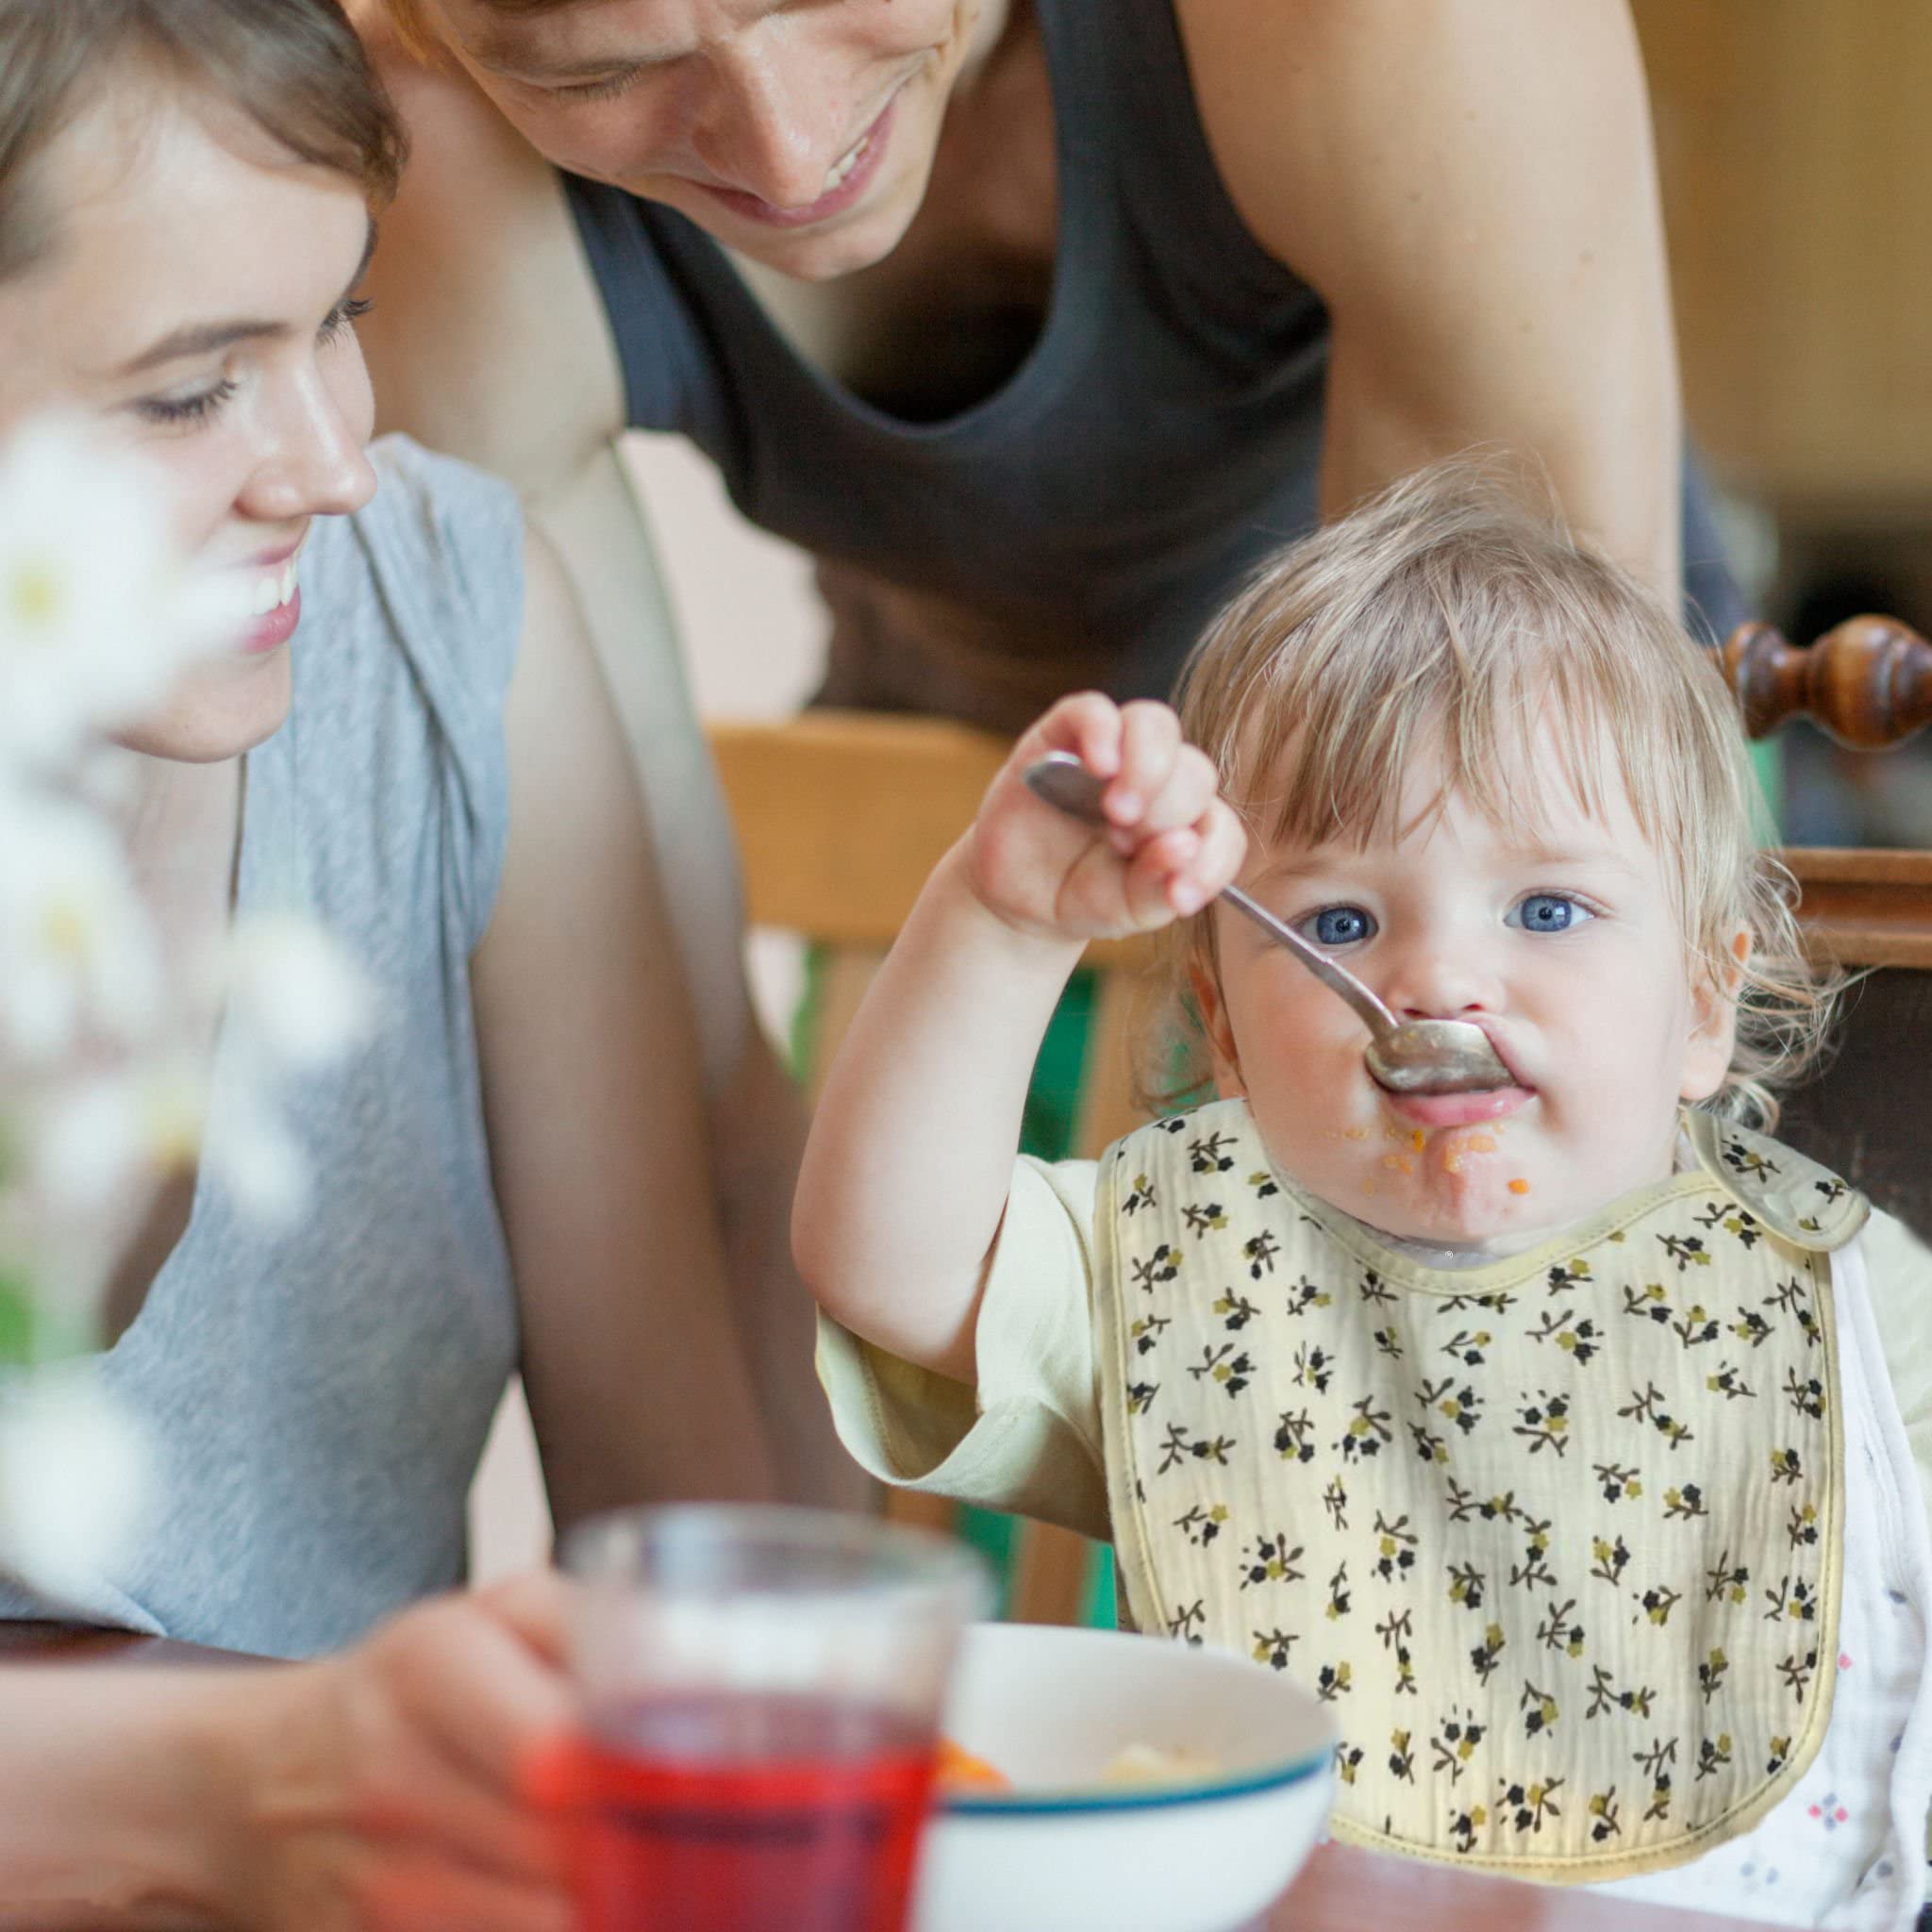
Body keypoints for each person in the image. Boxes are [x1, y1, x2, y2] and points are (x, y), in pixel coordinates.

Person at [794, 461, 1932, 1928]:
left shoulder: (1854, 1305)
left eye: (1547, 909)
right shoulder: (1191, 1269)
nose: (1441, 977)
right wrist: (1006, 925)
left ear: (1705, 1001)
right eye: (1339, 918)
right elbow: (886, 1262)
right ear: (1224, 1026)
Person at [341, 0, 1740, 1184]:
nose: (789, 147)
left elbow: (1500, 878)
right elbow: (641, 1103)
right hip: (979, 846)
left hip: (1529, 858)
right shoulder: (421, 131)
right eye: (599, 71)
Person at [0, 3, 833, 1924]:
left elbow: (673, 1529)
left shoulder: (440, 641)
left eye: (344, 319)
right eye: (187, 390)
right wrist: (253, 1778)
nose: (329, 467)